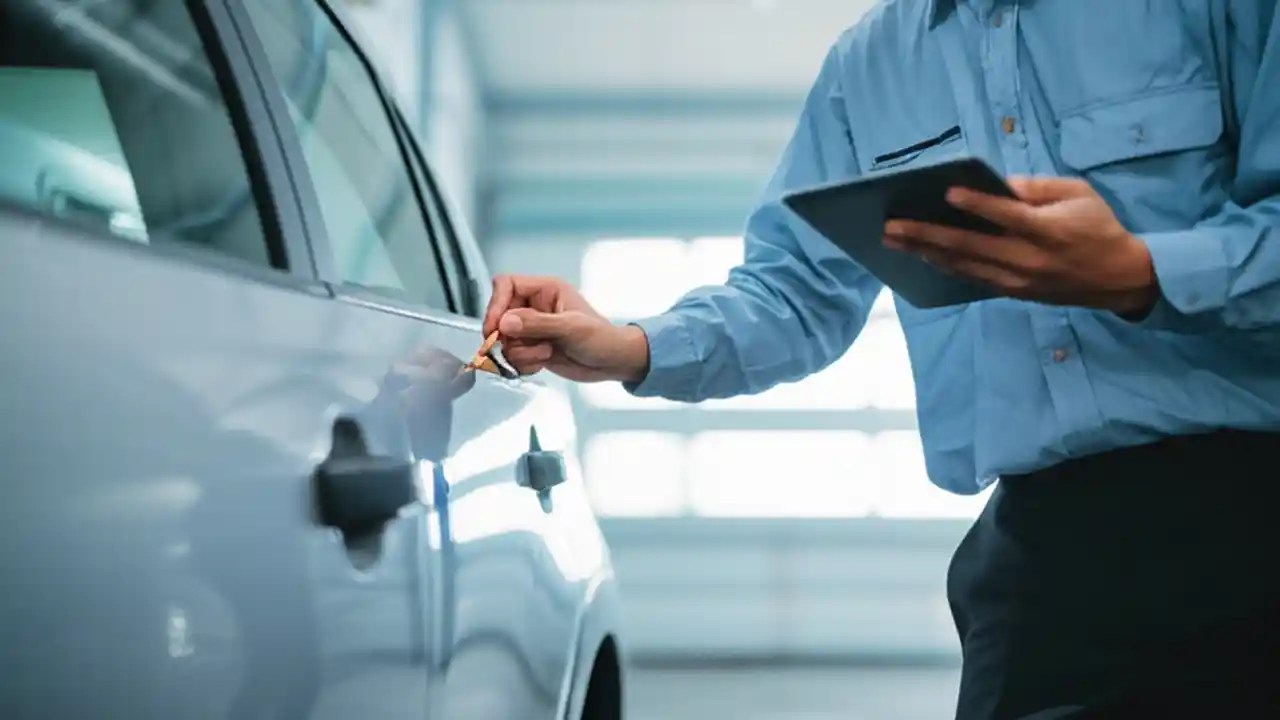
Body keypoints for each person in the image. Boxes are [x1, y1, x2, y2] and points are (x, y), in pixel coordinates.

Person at [483, 1, 1280, 717]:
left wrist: (1140, 271)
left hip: (1252, 504)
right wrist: (632, 345)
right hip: (1047, 556)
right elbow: (794, 292)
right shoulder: (869, 66)